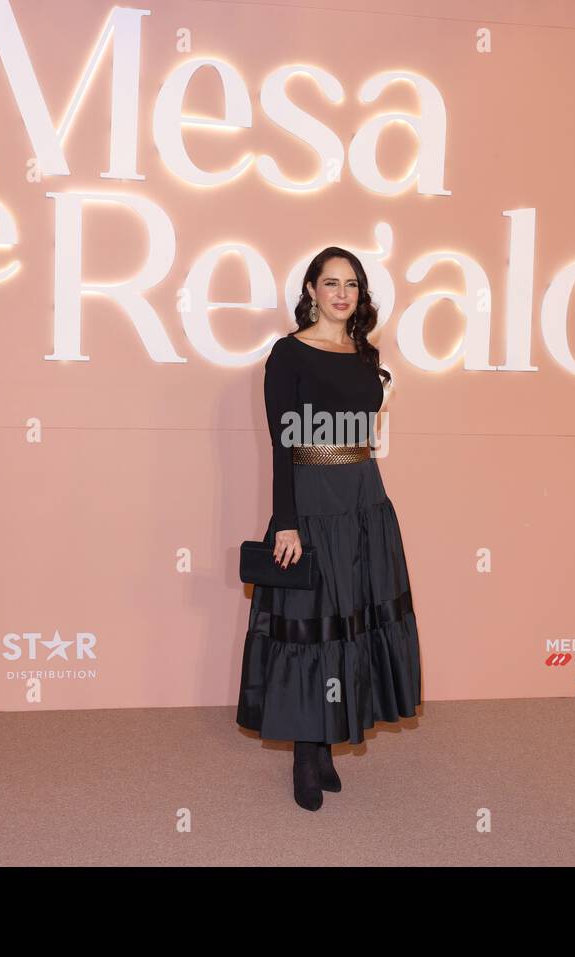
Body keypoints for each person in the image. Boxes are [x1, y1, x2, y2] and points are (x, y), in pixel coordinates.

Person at [236, 247, 423, 812]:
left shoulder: (366, 355)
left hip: (364, 498)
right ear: (311, 291)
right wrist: (286, 523)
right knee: (310, 625)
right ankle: (305, 753)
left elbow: (363, 432)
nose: (342, 293)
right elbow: (283, 444)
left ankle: (327, 744)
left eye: (352, 284)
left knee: (349, 623)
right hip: (312, 500)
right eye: (331, 282)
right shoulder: (288, 353)